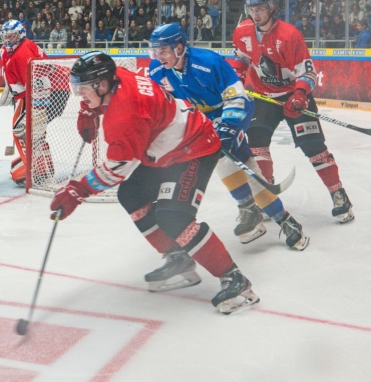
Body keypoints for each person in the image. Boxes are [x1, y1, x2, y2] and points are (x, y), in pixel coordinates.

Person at [53, 52, 258, 314]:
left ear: (102, 85)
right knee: (132, 195)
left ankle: (236, 281)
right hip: (166, 147)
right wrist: (88, 109)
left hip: (193, 147)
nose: (79, 94)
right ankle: (178, 258)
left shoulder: (124, 114)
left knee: (174, 216)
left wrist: (78, 190)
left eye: (83, 89)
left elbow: (118, 168)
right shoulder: (117, 77)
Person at [148, 24, 308, 250]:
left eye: (163, 50)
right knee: (230, 162)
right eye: (156, 51)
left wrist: (226, 130)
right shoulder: (157, 69)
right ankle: (252, 210)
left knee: (232, 161)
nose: (158, 56)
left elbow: (236, 98)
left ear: (180, 47)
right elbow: (162, 106)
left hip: (232, 111)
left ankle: (281, 220)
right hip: (203, 120)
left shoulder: (209, 62)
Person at [233, 0, 353, 223]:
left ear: (271, 8)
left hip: (293, 97)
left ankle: (339, 195)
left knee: (314, 147)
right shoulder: (242, 31)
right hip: (264, 97)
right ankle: (266, 198)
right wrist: (237, 76)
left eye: (260, 9)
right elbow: (242, 58)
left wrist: (299, 95)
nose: (256, 14)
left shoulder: (289, 35)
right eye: (252, 10)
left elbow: (307, 72)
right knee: (256, 145)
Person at [0, 20, 64, 186]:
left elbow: (41, 83)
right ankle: (43, 166)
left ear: (20, 35)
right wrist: (12, 89)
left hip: (51, 92)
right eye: (6, 36)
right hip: (39, 92)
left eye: (12, 36)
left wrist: (36, 111)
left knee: (24, 130)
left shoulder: (23, 54)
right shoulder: (11, 50)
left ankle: (37, 169)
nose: (8, 40)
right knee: (29, 130)